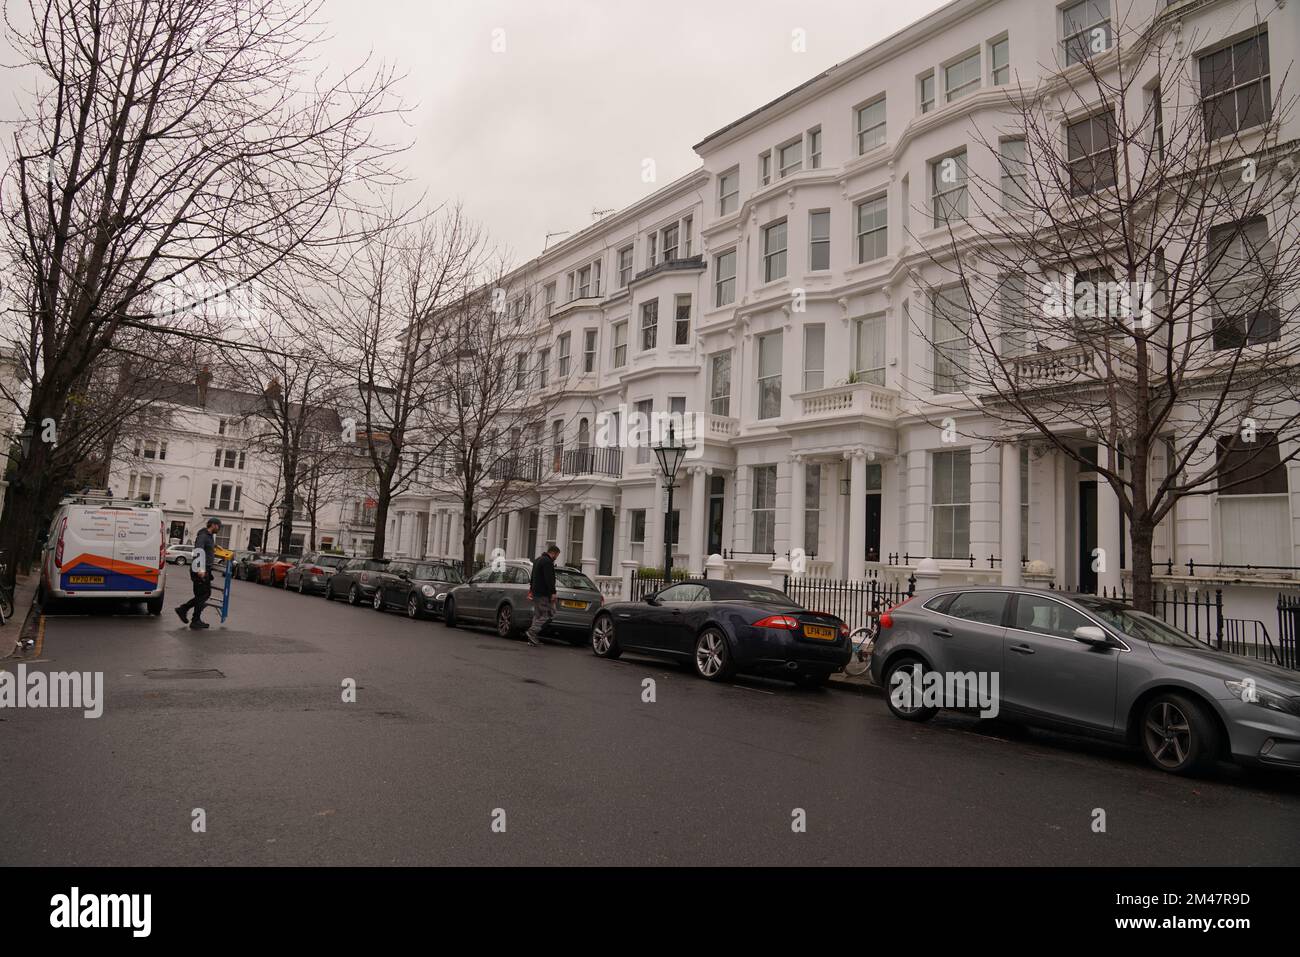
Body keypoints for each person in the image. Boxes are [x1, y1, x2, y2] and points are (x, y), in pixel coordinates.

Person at [176, 517, 221, 630]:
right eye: (218, 526)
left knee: (202, 595)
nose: (219, 528)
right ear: (214, 525)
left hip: (204, 569)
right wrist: (201, 569)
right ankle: (190, 616)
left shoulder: (209, 537)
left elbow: (206, 548)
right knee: (203, 595)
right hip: (200, 570)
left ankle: (188, 613)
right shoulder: (203, 536)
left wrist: (215, 547)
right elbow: (198, 551)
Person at [524, 544, 560, 647]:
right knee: (549, 614)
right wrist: (553, 592)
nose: (556, 558)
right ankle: (532, 631)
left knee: (538, 615)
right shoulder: (547, 562)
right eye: (556, 555)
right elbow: (549, 579)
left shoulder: (538, 560)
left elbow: (533, 577)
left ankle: (532, 639)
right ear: (554, 553)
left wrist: (531, 589)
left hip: (536, 592)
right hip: (544, 593)